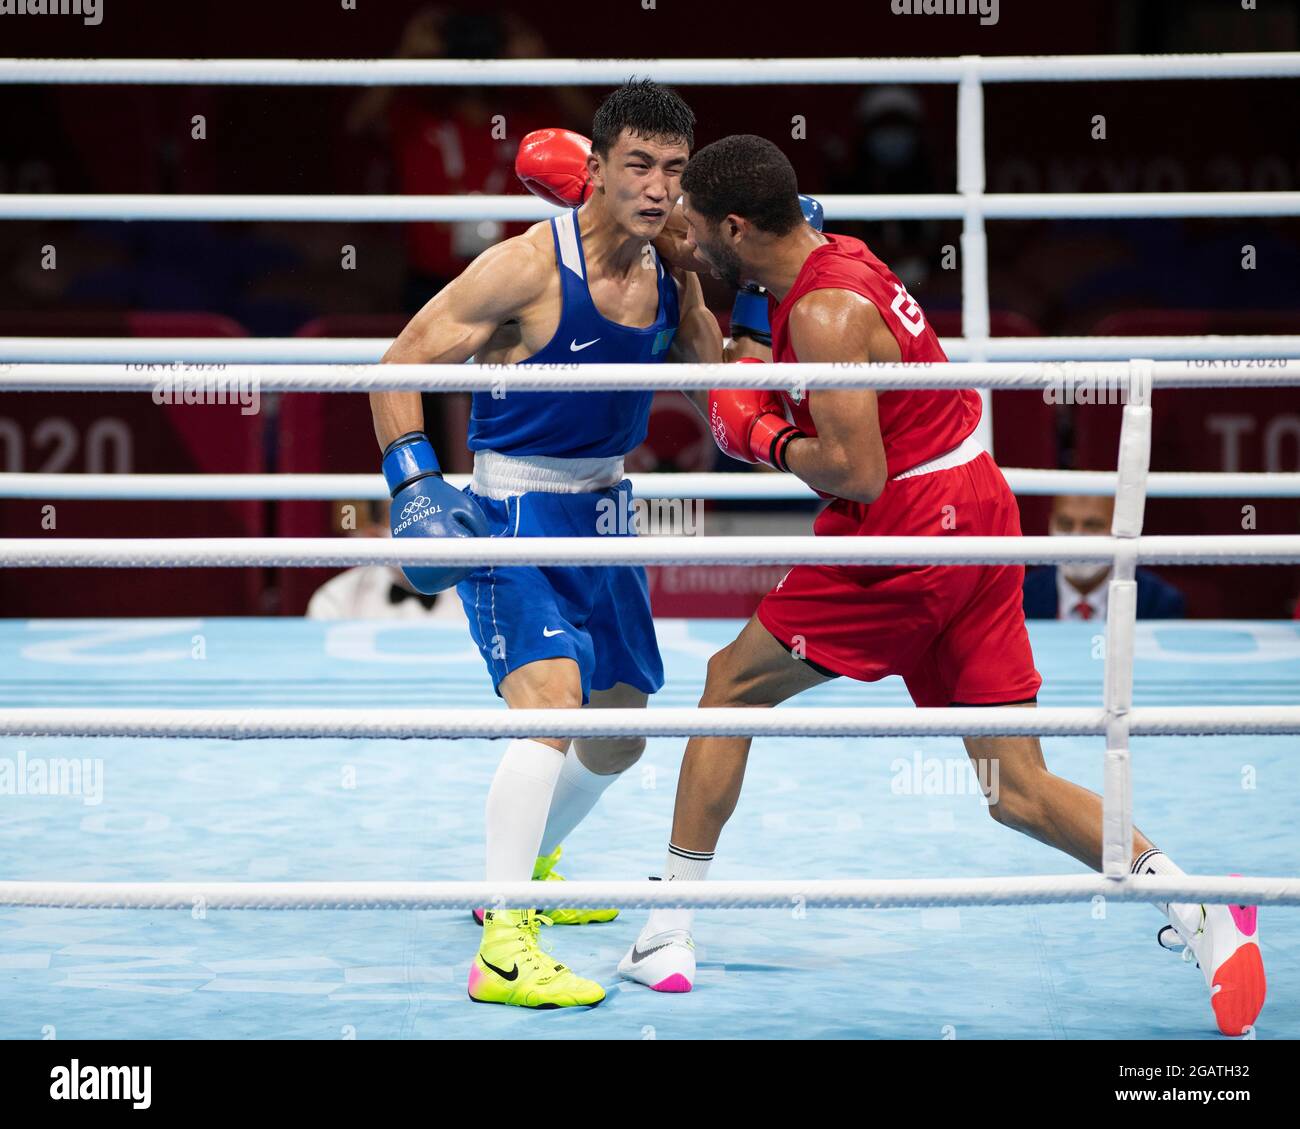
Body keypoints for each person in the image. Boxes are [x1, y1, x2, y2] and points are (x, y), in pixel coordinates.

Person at [616, 134, 1265, 1038]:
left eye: (695, 218)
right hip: (977, 509)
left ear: (736, 224)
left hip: (906, 533)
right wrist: (712, 309)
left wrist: (754, 435)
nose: (679, 223)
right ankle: (1198, 910)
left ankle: (666, 929)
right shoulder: (830, 256)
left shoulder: (829, 315)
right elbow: (750, 321)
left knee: (728, 686)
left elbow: (855, 473)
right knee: (1015, 788)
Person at [370, 80, 720, 1010]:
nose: (656, 187)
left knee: (620, 726)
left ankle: (530, 864)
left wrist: (750, 279)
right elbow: (400, 363)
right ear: (595, 170)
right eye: (638, 166)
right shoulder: (525, 268)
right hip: (515, 511)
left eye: (674, 172)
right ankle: (506, 940)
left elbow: (723, 400)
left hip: (606, 515)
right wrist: (414, 483)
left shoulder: (669, 273)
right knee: (551, 705)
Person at [1023, 493, 1186, 621]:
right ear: (1050, 524)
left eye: (1092, 525)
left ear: (1118, 529)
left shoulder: (1158, 602)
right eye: (1066, 524)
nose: (1076, 536)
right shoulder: (1021, 598)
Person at [305, 500, 464, 621]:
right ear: (374, 533)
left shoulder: (473, 595)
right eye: (403, 521)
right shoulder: (335, 598)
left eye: (429, 519)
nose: (418, 533)